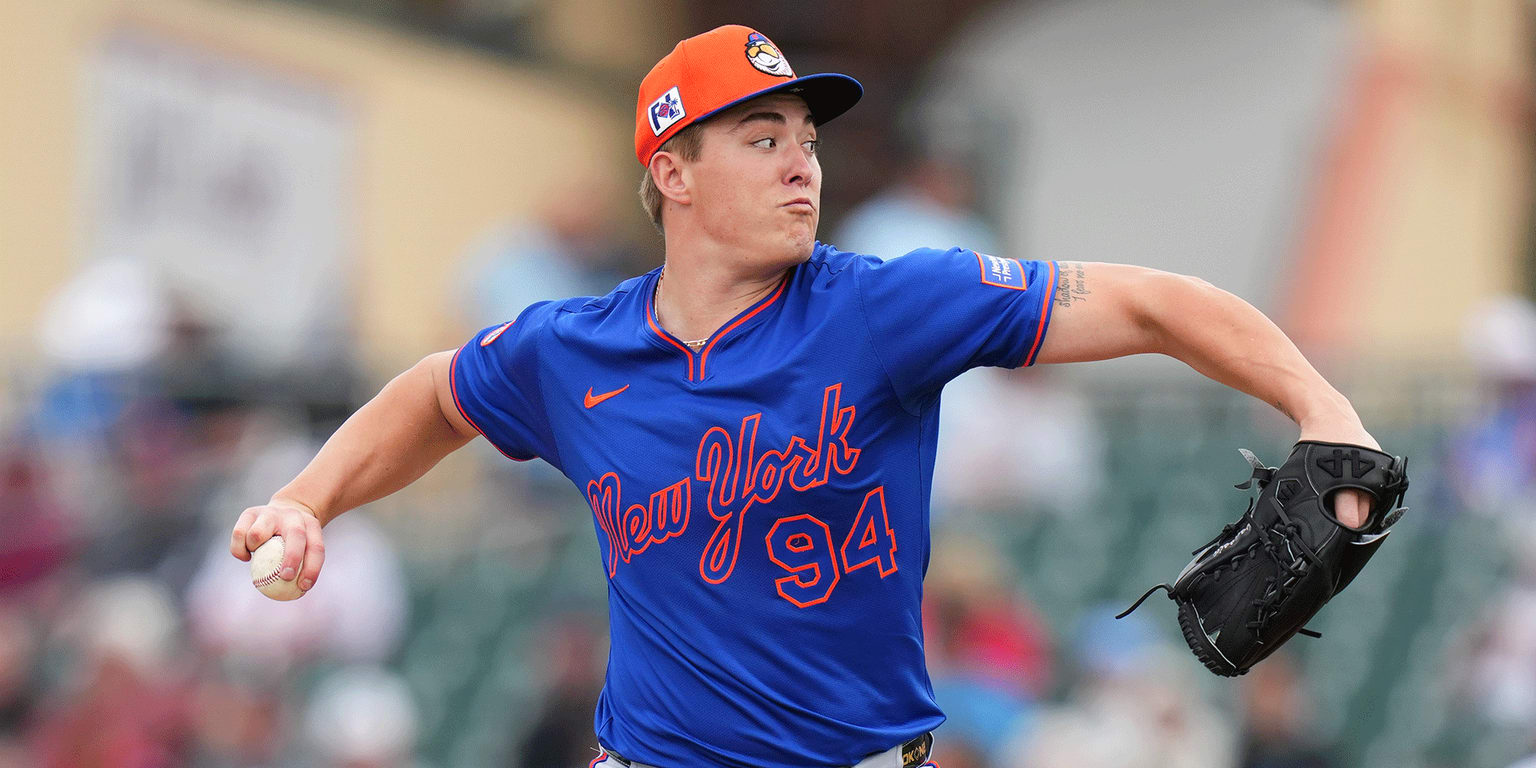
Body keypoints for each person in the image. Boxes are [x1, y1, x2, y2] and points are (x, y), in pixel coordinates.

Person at [227, 24, 1383, 768]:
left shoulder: (880, 310)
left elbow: (1148, 302)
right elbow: (437, 395)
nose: (803, 162)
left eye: (809, 139)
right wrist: (308, 498)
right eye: (761, 134)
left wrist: (1319, 406)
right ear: (671, 173)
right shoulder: (570, 353)